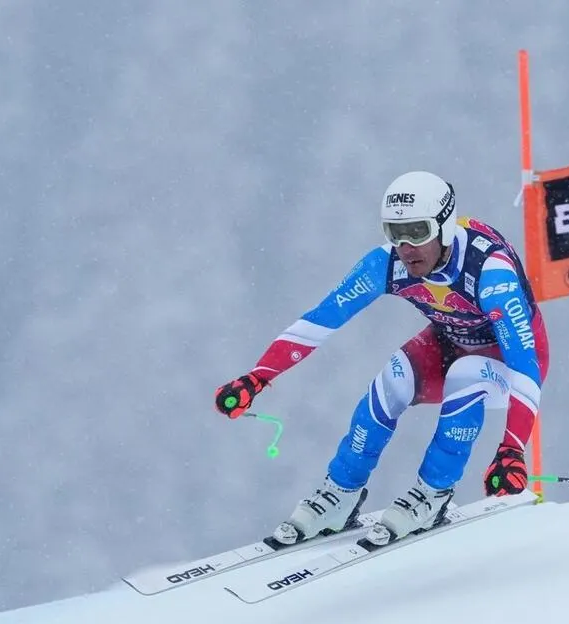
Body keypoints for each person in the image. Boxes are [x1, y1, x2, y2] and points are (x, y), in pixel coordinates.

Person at [214, 171, 549, 546]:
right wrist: (258, 376)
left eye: (418, 232)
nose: (406, 247)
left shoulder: (490, 272)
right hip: (450, 341)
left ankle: (433, 493)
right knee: (393, 377)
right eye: (394, 232)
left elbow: (525, 365)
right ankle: (341, 492)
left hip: (507, 362)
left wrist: (512, 448)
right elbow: (320, 321)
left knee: (468, 374)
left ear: (445, 226)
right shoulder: (386, 264)